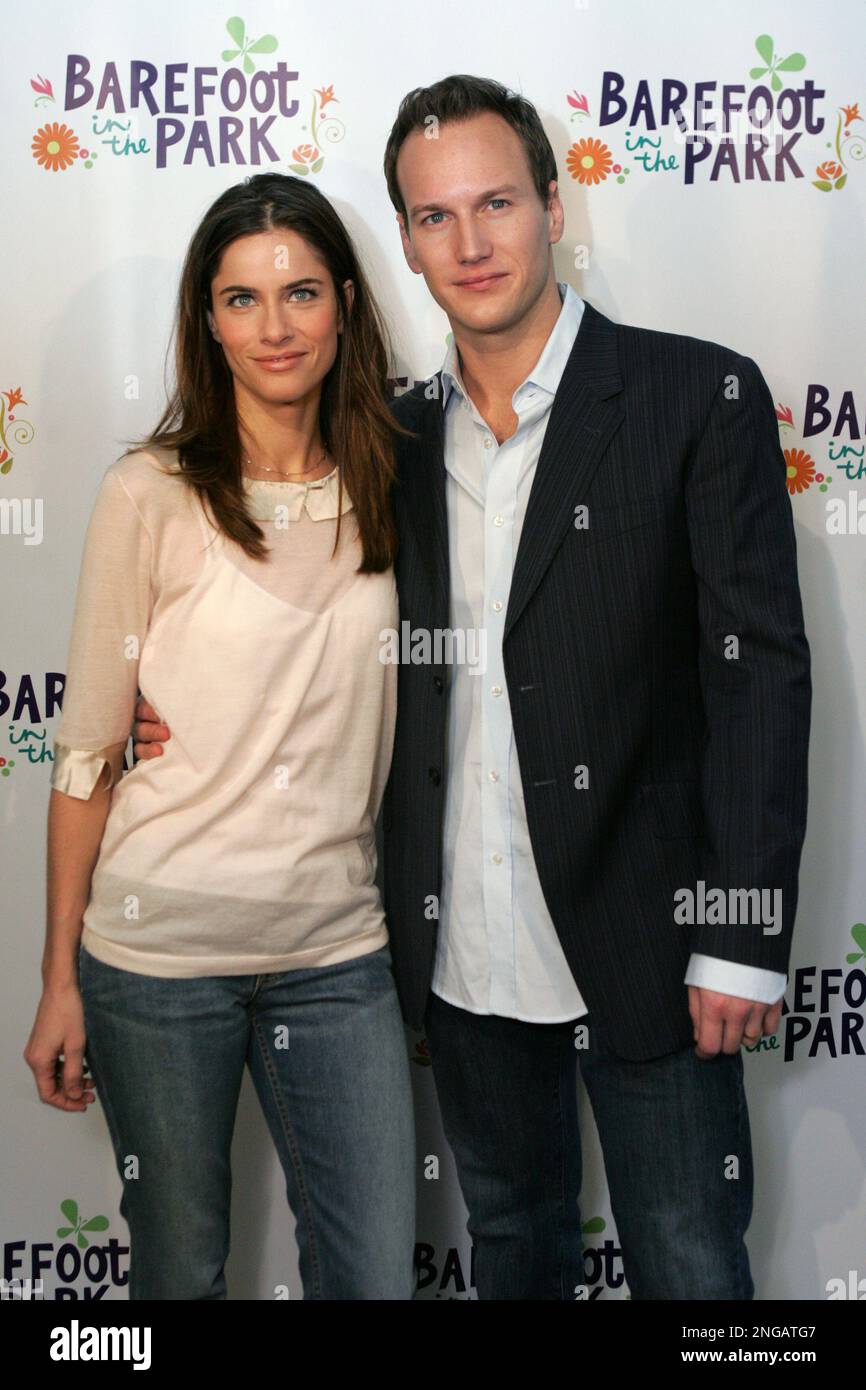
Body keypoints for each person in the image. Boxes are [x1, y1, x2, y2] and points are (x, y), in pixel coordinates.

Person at [134, 75, 812, 1300]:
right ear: (402, 240)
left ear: (553, 207)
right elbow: (294, 621)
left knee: (690, 1265)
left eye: (495, 202)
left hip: (655, 938)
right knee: (511, 1249)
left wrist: (743, 934)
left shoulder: (690, 398)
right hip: (460, 951)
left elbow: (758, 679)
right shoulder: (385, 439)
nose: (470, 241)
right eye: (434, 216)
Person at [24, 173, 418, 1300]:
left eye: (299, 292)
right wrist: (59, 979)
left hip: (338, 954)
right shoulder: (148, 490)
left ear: (344, 301)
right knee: (182, 1272)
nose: (275, 326)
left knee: (373, 1275)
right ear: (206, 316)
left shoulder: (398, 476)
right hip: (156, 962)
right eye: (241, 299)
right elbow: (89, 751)